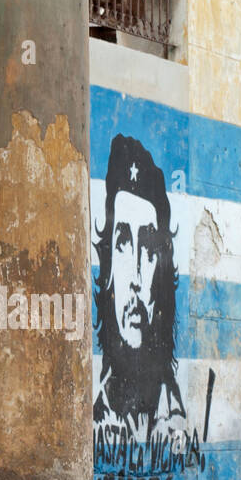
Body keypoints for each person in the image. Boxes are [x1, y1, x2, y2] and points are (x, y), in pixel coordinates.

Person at [92, 134, 185, 445]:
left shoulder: (177, 417)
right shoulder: (91, 415)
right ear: (107, 270)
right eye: (122, 243)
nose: (134, 276)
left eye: (146, 248)